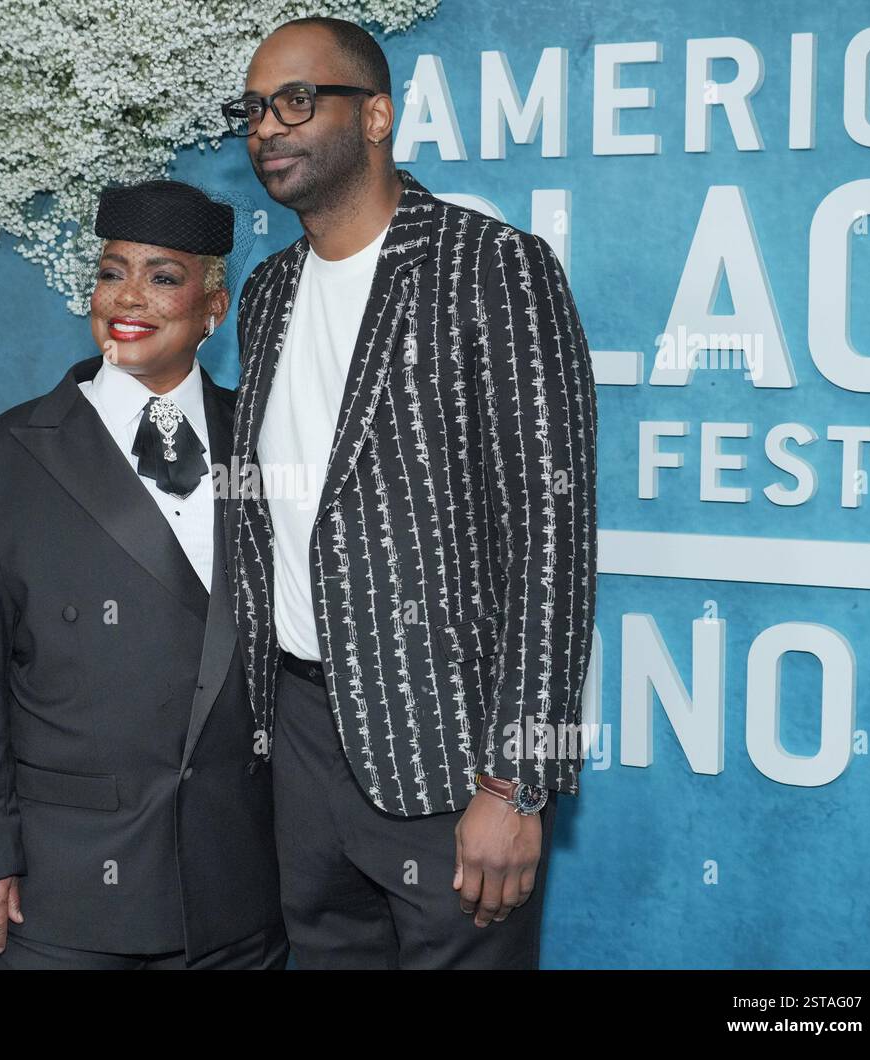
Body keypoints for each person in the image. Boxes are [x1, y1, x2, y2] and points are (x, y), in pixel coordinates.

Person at [221, 17, 599, 968]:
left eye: (298, 100)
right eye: (255, 108)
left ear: (378, 115)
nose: (269, 126)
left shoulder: (491, 266)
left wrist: (515, 781)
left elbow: (551, 542)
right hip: (301, 743)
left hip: (451, 757)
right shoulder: (267, 293)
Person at [0, 178, 287, 969]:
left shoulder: (268, 445)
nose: (129, 297)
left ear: (212, 309)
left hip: (239, 887)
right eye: (112, 272)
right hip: (70, 890)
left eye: (162, 277)